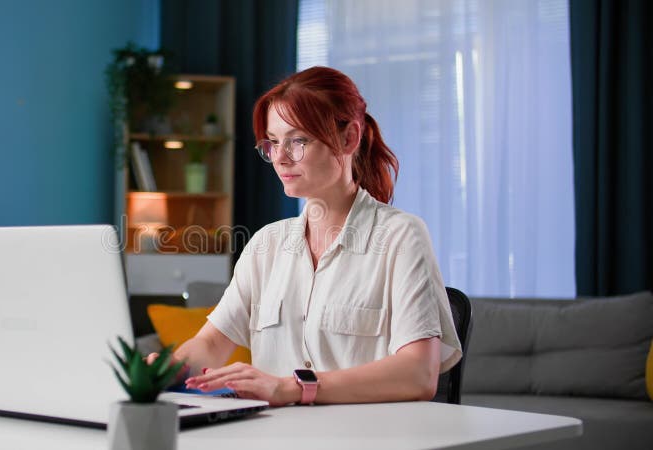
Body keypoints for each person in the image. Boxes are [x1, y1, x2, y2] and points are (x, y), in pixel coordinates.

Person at [150, 66, 461, 406]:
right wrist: (172, 368)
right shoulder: (265, 245)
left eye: (298, 140)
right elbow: (211, 344)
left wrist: (296, 388)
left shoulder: (401, 237)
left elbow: (418, 374)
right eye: (272, 142)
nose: (280, 158)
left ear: (349, 138)